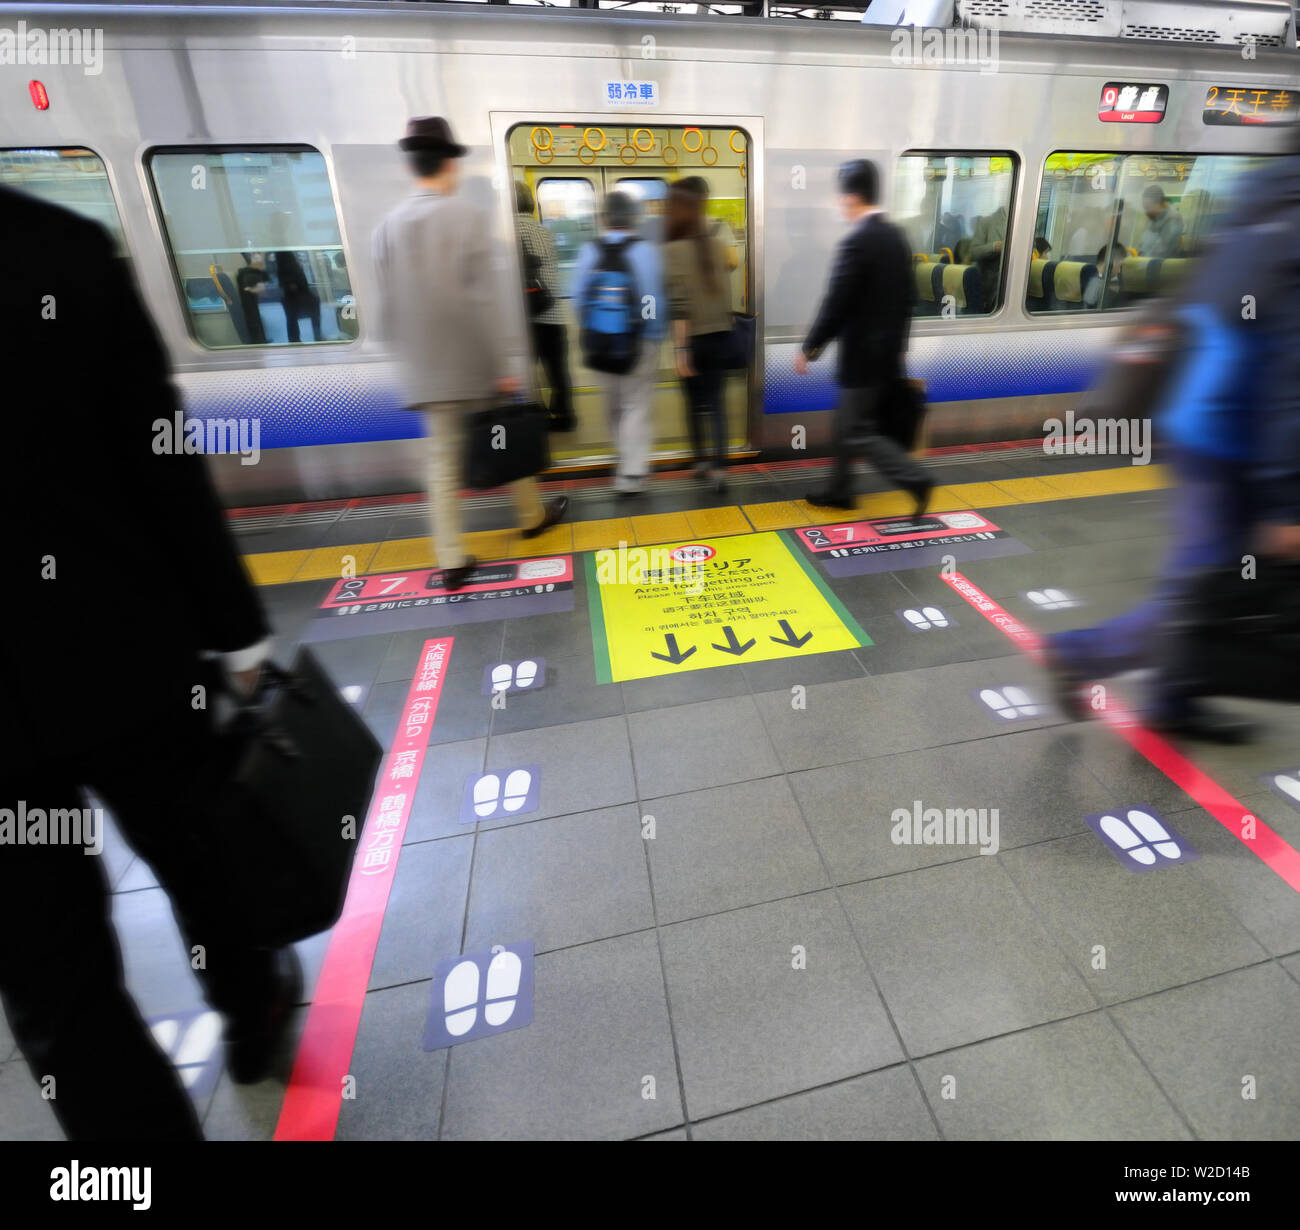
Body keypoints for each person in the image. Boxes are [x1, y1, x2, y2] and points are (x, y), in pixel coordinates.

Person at [0, 184, 296, 1140]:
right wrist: (239, 634)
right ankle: (252, 1017)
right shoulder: (59, 247)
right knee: (195, 854)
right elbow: (163, 461)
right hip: (127, 654)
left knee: (55, 984)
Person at [1044, 148, 1300, 742]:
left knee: (1202, 581)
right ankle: (1081, 655)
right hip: (1235, 437)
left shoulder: (1262, 201)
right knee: (1200, 589)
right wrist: (1287, 501)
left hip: (1204, 422)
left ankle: (1171, 698)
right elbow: (1292, 374)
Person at [372, 117, 568, 587]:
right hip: (474, 366)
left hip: (426, 374)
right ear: (449, 164)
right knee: (506, 437)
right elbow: (485, 303)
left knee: (441, 464)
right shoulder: (468, 219)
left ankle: (452, 559)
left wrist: (411, 365)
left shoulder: (386, 229)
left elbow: (387, 314)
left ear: (413, 165)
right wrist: (502, 368)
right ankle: (531, 516)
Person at [795, 159, 933, 515]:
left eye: (842, 197)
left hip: (861, 360)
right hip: (886, 356)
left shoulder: (857, 242)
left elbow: (836, 305)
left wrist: (809, 348)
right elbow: (907, 302)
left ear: (853, 197)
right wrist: (898, 353)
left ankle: (914, 478)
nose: (840, 204)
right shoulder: (896, 238)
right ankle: (841, 490)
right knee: (845, 426)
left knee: (857, 431)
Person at [570, 189, 667, 497]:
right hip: (639, 342)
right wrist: (652, 333)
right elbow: (652, 298)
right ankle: (632, 473)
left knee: (612, 405)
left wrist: (593, 328)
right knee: (635, 404)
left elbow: (577, 300)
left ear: (604, 218)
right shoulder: (646, 251)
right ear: (634, 219)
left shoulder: (589, 251)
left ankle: (622, 455)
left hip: (600, 342)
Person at [665, 181, 734, 493]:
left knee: (693, 405)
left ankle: (701, 462)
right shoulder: (717, 247)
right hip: (721, 336)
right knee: (717, 405)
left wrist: (680, 352)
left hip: (693, 340)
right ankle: (719, 468)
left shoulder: (672, 251)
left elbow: (679, 307)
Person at [514, 180, 575, 433]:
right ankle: (564, 417)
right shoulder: (546, 232)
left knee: (526, 372)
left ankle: (531, 417)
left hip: (524, 317)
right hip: (553, 312)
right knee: (558, 370)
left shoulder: (508, 230)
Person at [271, 215, 322, 343]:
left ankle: (300, 339)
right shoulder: (279, 240)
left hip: (294, 286)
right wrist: (292, 284)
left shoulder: (282, 239)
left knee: (294, 314)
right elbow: (284, 265)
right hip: (293, 287)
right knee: (297, 313)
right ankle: (312, 338)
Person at [969, 203, 1007, 312]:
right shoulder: (987, 222)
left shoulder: (1026, 224)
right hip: (990, 287)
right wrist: (995, 246)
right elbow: (974, 253)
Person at [1137, 184, 1184, 258]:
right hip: (1146, 261)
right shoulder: (1154, 217)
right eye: (1145, 208)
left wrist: (1140, 263)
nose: (1146, 212)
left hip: (1163, 266)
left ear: (1159, 204)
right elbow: (1143, 243)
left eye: (1148, 207)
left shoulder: (1172, 218)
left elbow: (1163, 249)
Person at [236, 251, 270, 344]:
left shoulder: (248, 271)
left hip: (250, 293)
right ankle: (259, 341)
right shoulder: (247, 273)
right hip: (248, 296)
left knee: (255, 316)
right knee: (252, 317)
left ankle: (261, 340)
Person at [1084, 240, 1126, 308]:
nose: (1119, 271)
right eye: (1120, 265)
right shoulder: (1099, 286)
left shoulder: (1088, 278)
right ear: (1113, 262)